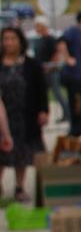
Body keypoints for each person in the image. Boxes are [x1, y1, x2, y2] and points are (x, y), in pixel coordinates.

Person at [0, 27, 47, 201]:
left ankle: (20, 186)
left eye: (13, 39)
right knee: (2, 152)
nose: (9, 43)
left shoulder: (31, 64)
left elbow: (41, 88)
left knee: (22, 152)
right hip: (3, 114)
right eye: (6, 39)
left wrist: (43, 110)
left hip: (25, 114)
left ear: (20, 41)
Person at [57, 10, 81, 136]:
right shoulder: (74, 31)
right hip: (74, 76)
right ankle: (76, 130)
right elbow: (61, 42)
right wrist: (67, 58)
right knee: (77, 105)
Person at [30, 16, 68, 120]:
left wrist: (49, 66)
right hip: (41, 70)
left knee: (57, 93)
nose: (36, 28)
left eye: (38, 26)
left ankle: (67, 114)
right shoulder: (39, 40)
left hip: (51, 70)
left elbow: (56, 54)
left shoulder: (50, 39)